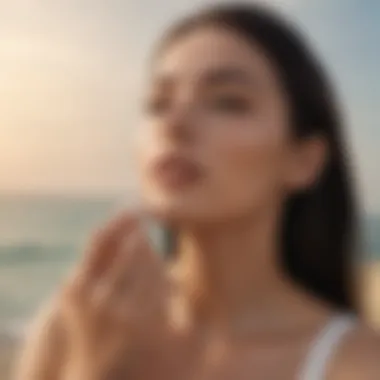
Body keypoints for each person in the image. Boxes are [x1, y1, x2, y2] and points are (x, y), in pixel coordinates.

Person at [14, 3, 380, 380]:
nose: (173, 124)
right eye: (158, 104)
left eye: (227, 102)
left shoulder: (357, 365)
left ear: (304, 161)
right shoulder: (75, 324)